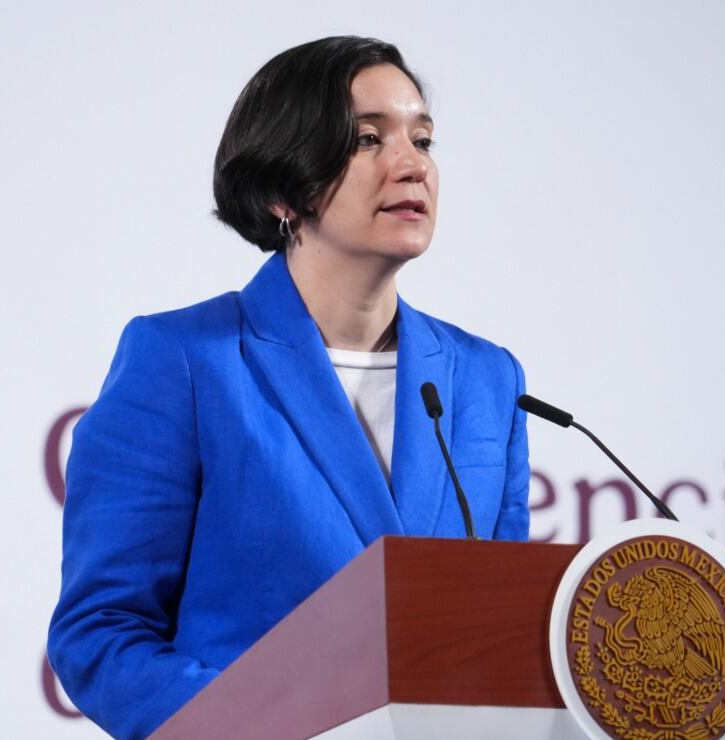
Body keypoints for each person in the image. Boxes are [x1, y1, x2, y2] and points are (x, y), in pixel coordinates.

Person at [48, 36, 530, 739]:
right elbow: (101, 632)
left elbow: (506, 637)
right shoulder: (185, 360)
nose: (413, 165)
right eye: (368, 139)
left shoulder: (489, 379)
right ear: (282, 189)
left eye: (422, 139)